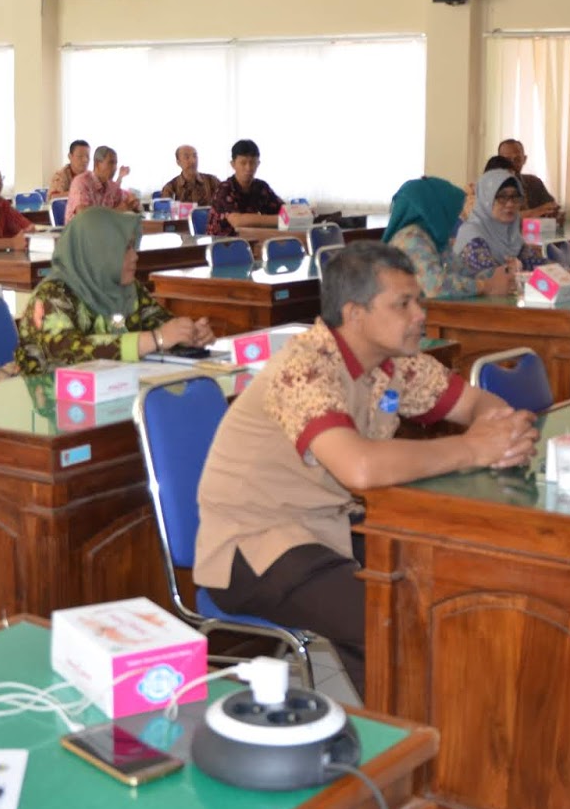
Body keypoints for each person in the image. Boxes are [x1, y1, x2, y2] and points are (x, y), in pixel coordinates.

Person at [194, 242, 540, 694]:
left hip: (328, 531)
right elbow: (358, 467)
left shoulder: (396, 362)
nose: (419, 313)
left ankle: (402, 729)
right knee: (394, 619)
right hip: (257, 546)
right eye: (402, 304)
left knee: (442, 588)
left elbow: (475, 403)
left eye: (418, 300)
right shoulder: (305, 368)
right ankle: (405, 742)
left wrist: (504, 432)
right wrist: (474, 449)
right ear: (355, 314)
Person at [13, 208, 213, 374]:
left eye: (133, 247)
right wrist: (155, 339)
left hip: (116, 393)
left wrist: (190, 335)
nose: (135, 256)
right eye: (125, 249)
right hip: (58, 406)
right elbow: (68, 352)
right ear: (98, 252)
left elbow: (161, 322)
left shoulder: (126, 288)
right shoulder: (51, 296)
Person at [385, 177, 516, 299]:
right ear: (437, 212)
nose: (456, 219)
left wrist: (502, 274)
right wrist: (486, 286)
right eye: (452, 212)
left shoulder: (434, 238)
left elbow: (463, 272)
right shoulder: (411, 239)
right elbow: (435, 287)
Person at [453, 169, 547, 281]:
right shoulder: (472, 235)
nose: (510, 204)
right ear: (485, 200)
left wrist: (559, 273)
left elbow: (534, 262)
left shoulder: (511, 235)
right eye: (502, 197)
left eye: (515, 197)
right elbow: (492, 277)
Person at [208, 138, 284, 237]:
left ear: (258, 164)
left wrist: (302, 212)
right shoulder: (225, 188)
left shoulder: (261, 187)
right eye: (243, 163)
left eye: (252, 163)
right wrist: (282, 220)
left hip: (253, 239)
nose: (248, 168)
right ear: (233, 164)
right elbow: (237, 221)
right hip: (223, 244)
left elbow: (283, 210)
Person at [65, 145, 140, 222]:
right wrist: (116, 211)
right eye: (111, 163)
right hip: (79, 232)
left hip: (103, 231)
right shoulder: (81, 182)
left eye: (115, 163)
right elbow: (84, 216)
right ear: (97, 164)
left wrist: (133, 203)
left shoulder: (112, 186)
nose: (115, 168)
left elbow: (127, 199)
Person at [497, 138, 562, 221]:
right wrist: (536, 211)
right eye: (507, 160)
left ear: (524, 159)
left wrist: (555, 213)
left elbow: (550, 207)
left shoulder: (534, 182)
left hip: (534, 232)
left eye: (517, 159)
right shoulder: (489, 185)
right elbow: (499, 217)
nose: (512, 164)